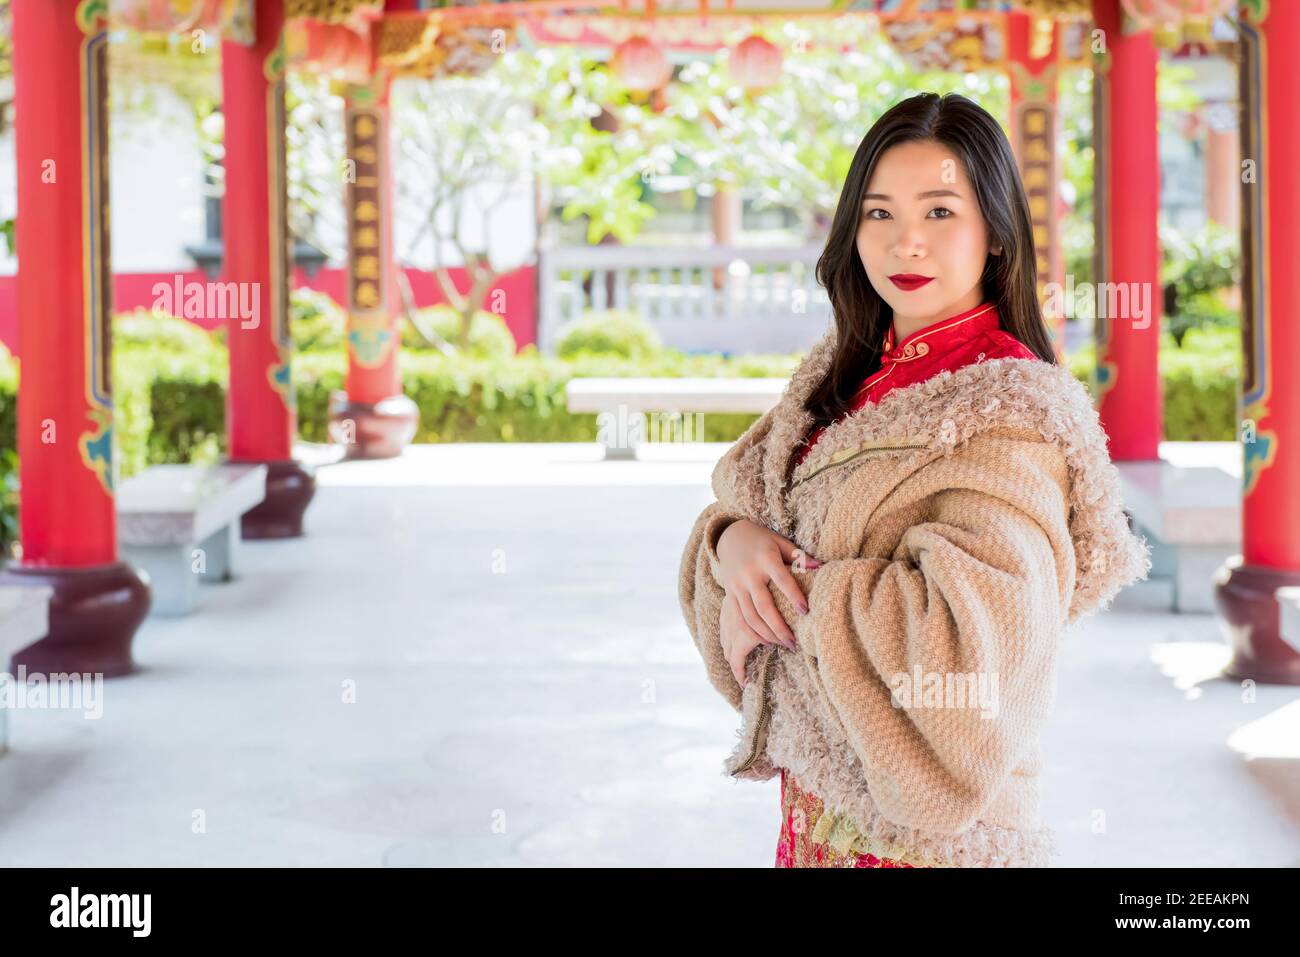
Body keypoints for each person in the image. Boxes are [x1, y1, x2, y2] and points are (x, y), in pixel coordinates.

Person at [678, 92, 1151, 868]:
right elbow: (740, 501)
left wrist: (781, 594)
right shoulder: (844, 374)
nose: (906, 242)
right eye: (878, 213)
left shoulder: (1007, 411)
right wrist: (731, 545)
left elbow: (968, 656)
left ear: (995, 232)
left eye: (939, 212)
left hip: (929, 846)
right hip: (814, 812)